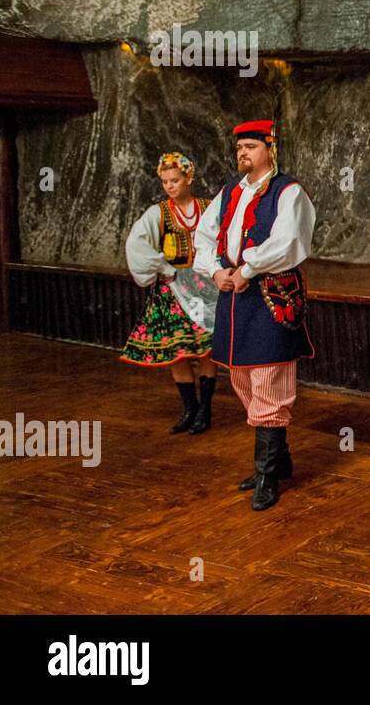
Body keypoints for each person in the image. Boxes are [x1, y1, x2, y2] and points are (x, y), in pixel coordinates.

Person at [194, 119, 316, 511]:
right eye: (239, 148)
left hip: (270, 295)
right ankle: (278, 461)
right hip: (234, 295)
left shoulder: (288, 191)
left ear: (270, 148)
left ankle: (266, 474)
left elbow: (289, 242)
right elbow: (206, 234)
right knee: (243, 378)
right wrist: (216, 271)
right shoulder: (230, 190)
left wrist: (246, 270)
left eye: (250, 146)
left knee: (268, 379)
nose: (243, 154)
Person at [120, 152, 220, 435]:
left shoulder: (208, 208)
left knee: (206, 348)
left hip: (204, 287)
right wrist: (162, 266)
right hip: (173, 289)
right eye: (165, 181)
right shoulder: (158, 213)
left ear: (189, 177)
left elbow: (224, 238)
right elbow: (136, 244)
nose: (169, 186)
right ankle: (189, 408)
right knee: (178, 350)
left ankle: (205, 408)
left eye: (175, 180)